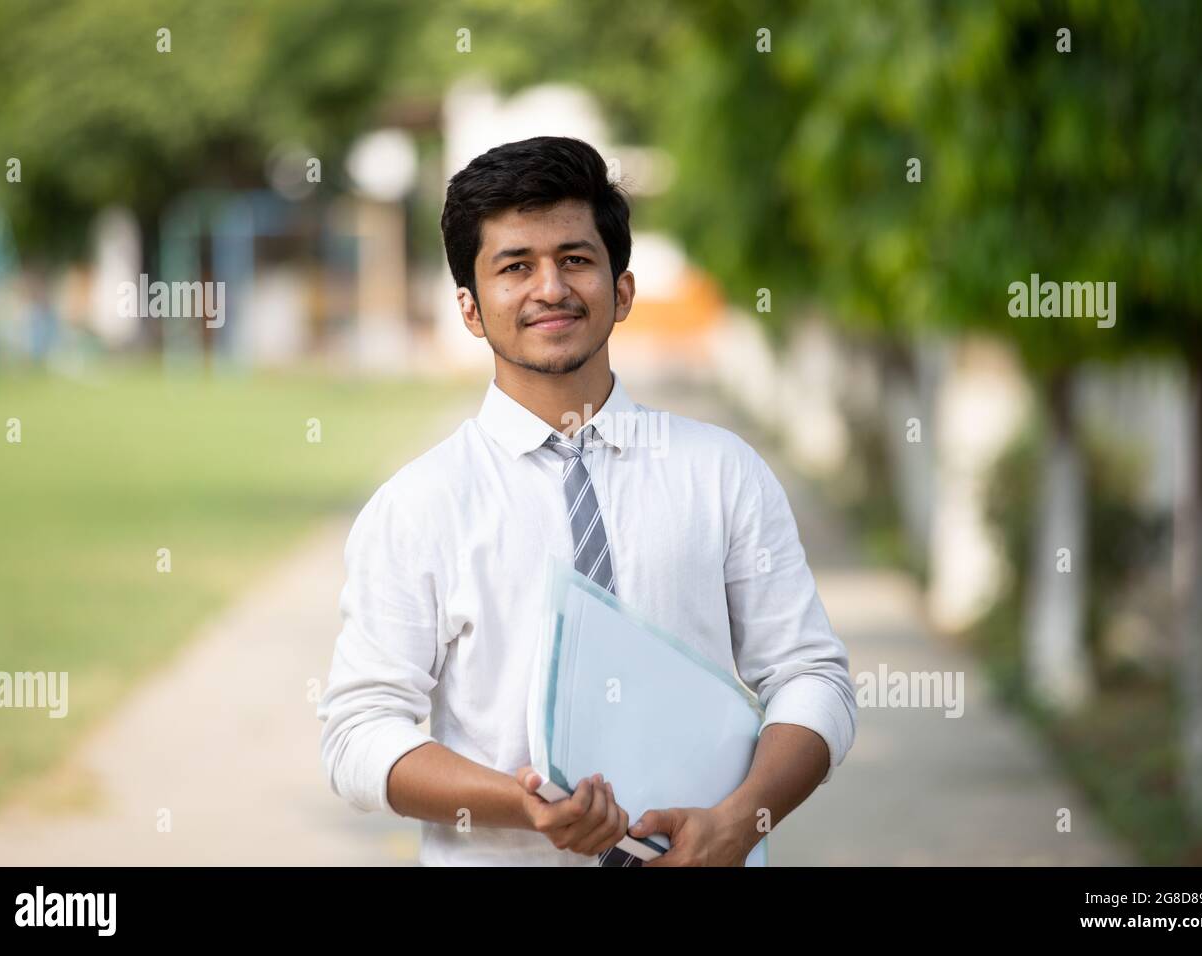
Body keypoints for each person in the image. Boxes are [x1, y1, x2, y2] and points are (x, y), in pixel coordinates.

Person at [317, 135, 856, 866]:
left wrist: (740, 822)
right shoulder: (419, 507)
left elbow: (810, 677)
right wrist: (524, 805)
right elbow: (358, 731)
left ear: (621, 289)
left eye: (575, 259)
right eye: (515, 267)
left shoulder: (722, 473)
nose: (550, 288)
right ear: (470, 310)